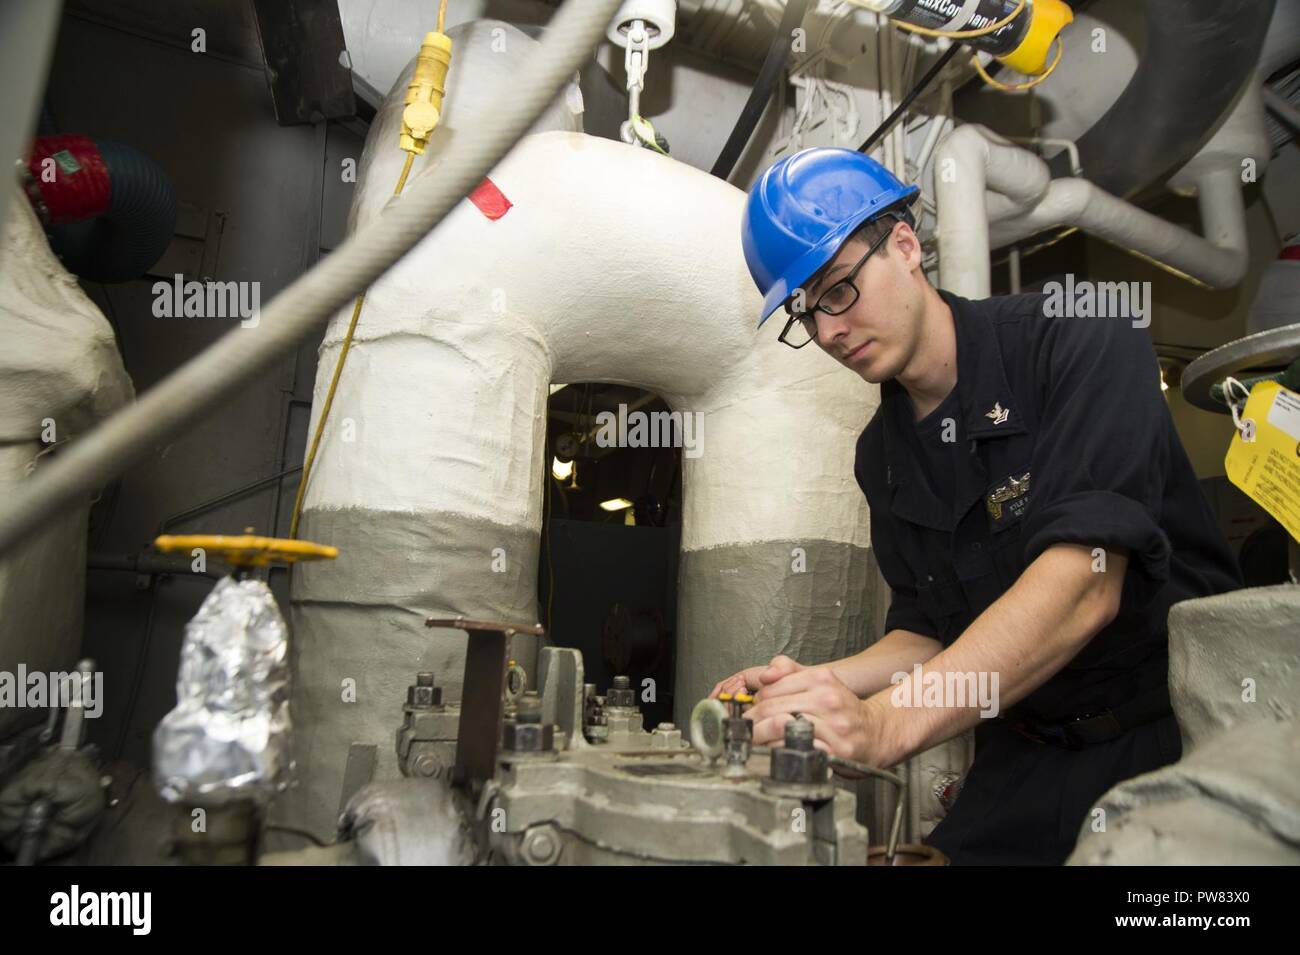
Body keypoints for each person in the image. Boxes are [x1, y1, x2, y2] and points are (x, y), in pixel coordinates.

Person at [715, 147, 1242, 864]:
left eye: (837, 289)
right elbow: (928, 632)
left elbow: (1085, 586)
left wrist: (880, 726)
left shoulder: (1079, 339)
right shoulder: (884, 454)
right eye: (806, 313)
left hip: (1171, 739)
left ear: (905, 245)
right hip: (1026, 750)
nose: (830, 331)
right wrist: (820, 686)